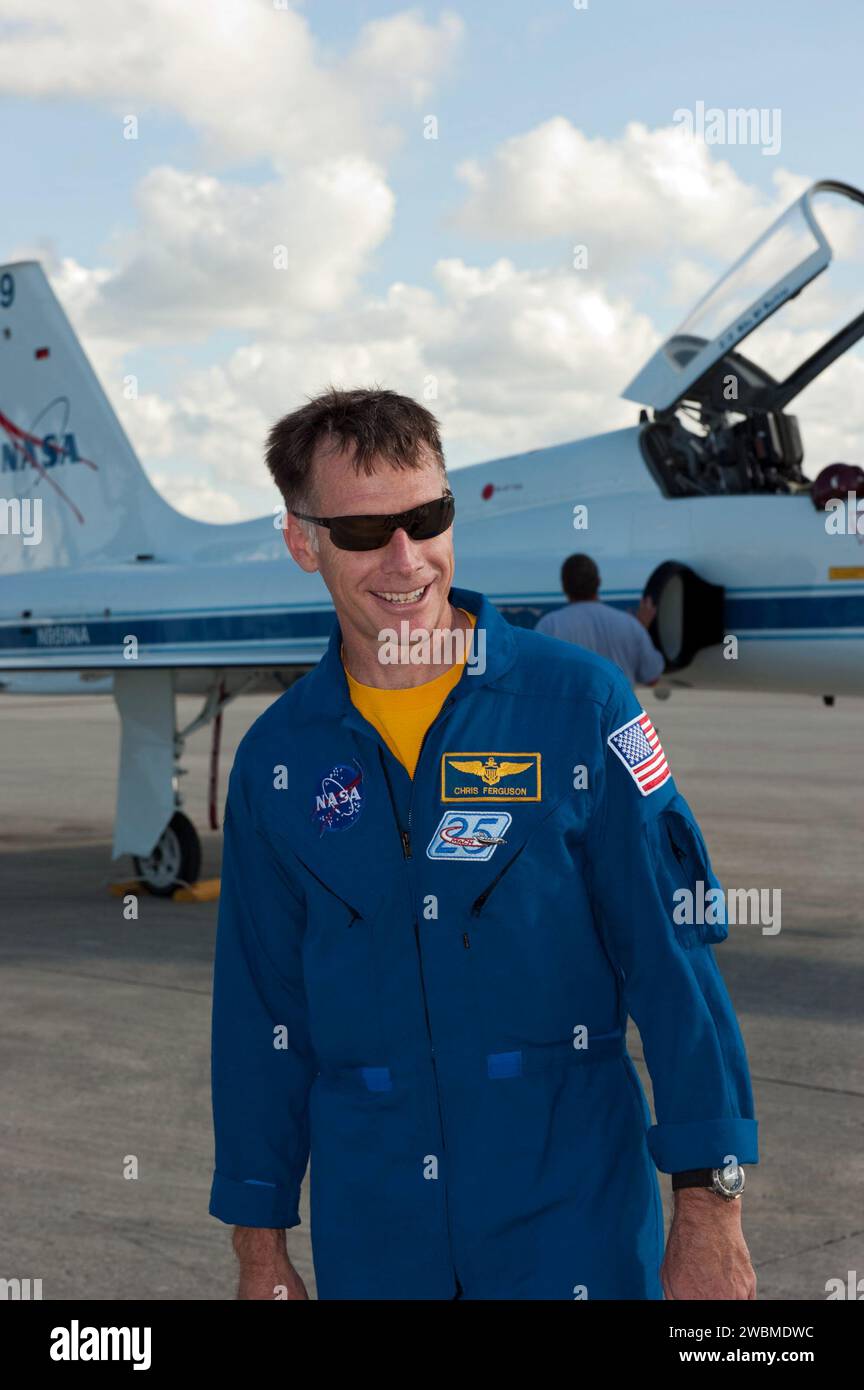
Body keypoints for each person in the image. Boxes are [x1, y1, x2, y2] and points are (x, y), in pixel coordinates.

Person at [208, 387, 758, 1301]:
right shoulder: (279, 761)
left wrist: (710, 1202)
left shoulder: (577, 707)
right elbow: (261, 1019)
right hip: (375, 1238)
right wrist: (258, 1247)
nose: (404, 558)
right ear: (303, 542)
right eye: (362, 532)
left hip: (569, 1227)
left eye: (427, 519)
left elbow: (676, 962)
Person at [535, 554, 665, 687]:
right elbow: (652, 677)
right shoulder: (631, 626)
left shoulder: (549, 626)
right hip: (619, 707)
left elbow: (535, 677)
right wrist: (641, 627)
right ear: (598, 581)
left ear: (564, 586)